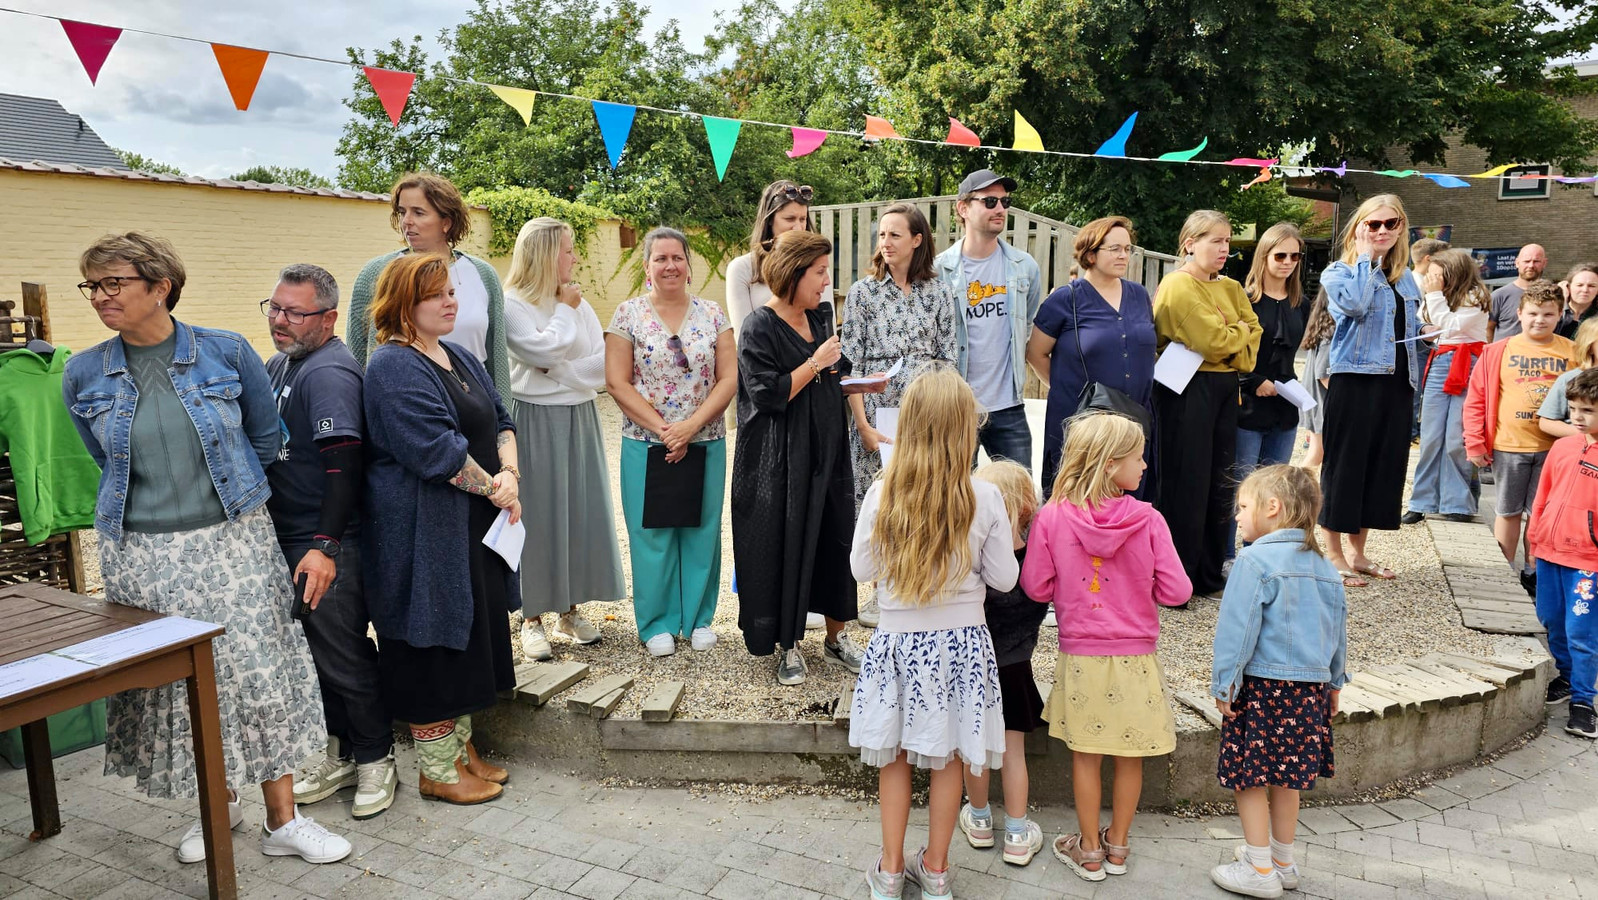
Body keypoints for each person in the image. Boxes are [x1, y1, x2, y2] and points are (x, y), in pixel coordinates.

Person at [62, 232, 349, 864]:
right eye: (94, 286)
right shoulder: (82, 371)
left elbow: (266, 435)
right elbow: (103, 460)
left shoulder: (225, 352)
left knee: (256, 673)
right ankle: (216, 810)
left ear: (160, 286)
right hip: (139, 555)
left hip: (233, 542)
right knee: (176, 685)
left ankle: (283, 819)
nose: (100, 297)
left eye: (114, 283)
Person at [851, 368, 1016, 900]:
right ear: (967, 429)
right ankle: (938, 869)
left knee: (895, 756)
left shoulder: (884, 493)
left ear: (911, 425)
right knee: (947, 758)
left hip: (899, 643)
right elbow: (1005, 579)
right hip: (962, 645)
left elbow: (860, 569)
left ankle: (892, 869)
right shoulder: (984, 498)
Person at [363, 252, 522, 805]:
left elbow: (501, 416)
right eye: (437, 295)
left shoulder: (454, 354)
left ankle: (461, 752)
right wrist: (496, 489)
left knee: (467, 637)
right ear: (404, 305)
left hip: (468, 524)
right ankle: (437, 769)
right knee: (429, 643)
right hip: (422, 534)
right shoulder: (393, 365)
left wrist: (511, 475)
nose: (451, 302)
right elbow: (435, 451)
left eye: (451, 291)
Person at [1022, 411, 1188, 882]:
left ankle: (1088, 849)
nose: (1145, 465)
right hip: (1136, 658)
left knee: (1087, 756)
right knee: (1129, 755)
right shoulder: (1149, 519)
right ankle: (1118, 847)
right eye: (1137, 457)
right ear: (1110, 463)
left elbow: (1035, 587)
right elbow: (1177, 592)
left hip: (1082, 658)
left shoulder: (1052, 517)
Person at [261, 264, 396, 822]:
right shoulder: (282, 364)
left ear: (330, 318)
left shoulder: (331, 374)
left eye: (296, 312)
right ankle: (340, 750)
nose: (280, 321)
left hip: (324, 543)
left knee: (342, 653)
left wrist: (325, 547)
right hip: (289, 537)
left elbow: (343, 465)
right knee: (314, 656)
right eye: (274, 308)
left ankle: (376, 757)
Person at [734, 231, 880, 685]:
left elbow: (838, 373)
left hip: (828, 452)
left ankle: (837, 639)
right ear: (794, 273)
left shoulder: (820, 317)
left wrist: (861, 385)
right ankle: (788, 645)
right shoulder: (759, 325)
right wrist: (815, 363)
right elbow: (766, 395)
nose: (825, 281)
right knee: (785, 543)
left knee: (836, 540)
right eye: (819, 272)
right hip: (780, 460)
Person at [1209, 465, 1347, 899]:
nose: (1237, 515)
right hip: (1309, 691)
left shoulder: (1254, 561)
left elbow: (1237, 631)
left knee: (1249, 779)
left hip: (1263, 690)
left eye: (1243, 506)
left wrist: (1225, 684)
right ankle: (1283, 861)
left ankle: (1258, 867)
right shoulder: (1326, 568)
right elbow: (1337, 632)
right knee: (1287, 779)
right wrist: (1335, 685)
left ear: (1274, 508)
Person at [605, 227, 736, 657]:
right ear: (646, 267)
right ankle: (656, 622)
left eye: (677, 257)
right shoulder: (627, 316)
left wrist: (690, 428)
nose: (670, 265)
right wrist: (666, 430)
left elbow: (728, 379)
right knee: (651, 533)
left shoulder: (714, 314)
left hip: (705, 439)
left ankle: (698, 618)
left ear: (688, 264)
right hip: (646, 442)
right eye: (660, 258)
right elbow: (617, 383)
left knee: (701, 529)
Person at [501, 218, 626, 660]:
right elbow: (540, 350)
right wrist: (562, 318)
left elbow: (601, 363)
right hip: (533, 418)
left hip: (580, 416)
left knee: (577, 511)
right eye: (568, 251)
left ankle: (569, 611)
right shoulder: (513, 303)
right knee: (535, 516)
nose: (575, 259)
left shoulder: (577, 300)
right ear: (546, 254)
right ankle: (531, 617)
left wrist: (561, 372)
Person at [842, 203, 959, 629]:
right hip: (876, 411)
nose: (885, 243)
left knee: (925, 492)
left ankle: (922, 579)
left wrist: (942, 413)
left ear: (917, 240)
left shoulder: (940, 293)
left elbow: (948, 359)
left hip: (926, 412)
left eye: (895, 235)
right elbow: (849, 364)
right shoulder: (863, 292)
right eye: (881, 235)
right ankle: (880, 590)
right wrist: (862, 425)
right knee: (879, 497)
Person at [1152, 209, 1262, 601]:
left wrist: (1230, 339)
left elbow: (1253, 342)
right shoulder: (1177, 286)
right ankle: (1177, 577)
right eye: (1215, 240)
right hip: (1187, 388)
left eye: (1228, 240)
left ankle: (1210, 574)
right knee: (1187, 482)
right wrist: (1237, 335)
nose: (1224, 248)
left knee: (1220, 481)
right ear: (1190, 243)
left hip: (1224, 389)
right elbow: (1215, 342)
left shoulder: (1231, 288)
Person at [1317, 194, 1421, 583]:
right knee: (1344, 466)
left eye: (1390, 224)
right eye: (1372, 224)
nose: (1381, 231)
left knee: (1381, 468)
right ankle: (1333, 553)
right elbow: (1356, 306)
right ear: (1359, 227)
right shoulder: (1339, 272)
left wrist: (1425, 333)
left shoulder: (1406, 277)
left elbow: (1404, 332)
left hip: (1397, 383)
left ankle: (1359, 553)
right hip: (1355, 381)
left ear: (1401, 227)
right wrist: (1365, 257)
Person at [1026, 215, 1156, 498]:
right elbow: (1036, 353)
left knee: (1129, 504)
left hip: (1134, 424)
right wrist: (1071, 390)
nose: (1124, 255)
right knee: (1080, 504)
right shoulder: (1065, 300)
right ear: (1090, 254)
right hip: (1084, 428)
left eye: (1127, 249)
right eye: (1115, 249)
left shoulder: (1139, 295)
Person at [346, 171, 510, 395]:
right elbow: (357, 355)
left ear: (446, 222)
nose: (407, 221)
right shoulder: (378, 272)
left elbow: (497, 357)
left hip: (475, 405)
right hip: (403, 403)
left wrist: (506, 422)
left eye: (419, 212)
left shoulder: (483, 275)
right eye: (402, 212)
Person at [1464, 281, 1579, 596]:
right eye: (1532, 313)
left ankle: (1534, 570)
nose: (1539, 320)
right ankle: (1504, 567)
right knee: (1507, 510)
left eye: (1547, 314)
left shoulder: (1572, 353)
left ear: (1560, 316)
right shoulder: (1499, 350)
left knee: (1541, 512)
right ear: (1519, 313)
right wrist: (1474, 442)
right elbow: (1476, 399)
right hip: (1509, 445)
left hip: (1554, 449)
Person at [957, 461, 1046, 867]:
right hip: (1016, 667)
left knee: (975, 750)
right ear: (1029, 504)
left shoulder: (972, 557)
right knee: (1013, 753)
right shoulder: (1036, 562)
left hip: (976, 665)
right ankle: (1016, 833)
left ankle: (978, 821)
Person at [935, 169, 1043, 469]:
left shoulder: (1025, 268)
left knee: (1018, 504)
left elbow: (1027, 324)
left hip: (1008, 407)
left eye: (1004, 202)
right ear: (963, 208)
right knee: (953, 504)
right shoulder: (939, 271)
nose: (1000, 209)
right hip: (957, 408)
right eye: (990, 201)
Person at [1228, 223, 1308, 559]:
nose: (1288, 262)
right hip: (1247, 404)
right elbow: (1229, 351)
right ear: (1264, 255)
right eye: (1280, 255)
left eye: (1295, 256)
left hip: (1285, 405)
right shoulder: (1243, 299)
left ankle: (1262, 555)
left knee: (1275, 488)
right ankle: (1228, 556)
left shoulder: (1300, 302)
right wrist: (1253, 380)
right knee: (1241, 485)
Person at [1527, 367, 1598, 739]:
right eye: (1573, 409)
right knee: (1550, 617)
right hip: (1550, 553)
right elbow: (1543, 495)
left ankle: (1585, 701)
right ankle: (1567, 677)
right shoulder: (1563, 446)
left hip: (1587, 563)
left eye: (1588, 410)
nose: (1578, 417)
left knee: (1582, 630)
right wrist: (1534, 536)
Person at [1401, 249, 1492, 525]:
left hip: (1469, 363)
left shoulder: (1475, 297)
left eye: (1436, 274)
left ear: (1452, 273)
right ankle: (1422, 500)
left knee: (1456, 436)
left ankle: (1457, 502)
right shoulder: (1436, 295)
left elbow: (1450, 327)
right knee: (1430, 435)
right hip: (1442, 360)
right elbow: (1427, 325)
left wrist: (1434, 295)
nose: (1431, 279)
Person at [725, 180, 814, 336]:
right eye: (789, 219)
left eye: (802, 219)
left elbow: (828, 337)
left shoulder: (817, 267)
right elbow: (744, 340)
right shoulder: (742, 268)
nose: (798, 228)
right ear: (770, 219)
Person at [1538, 318, 1598, 439]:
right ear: (1589, 346)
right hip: (1582, 449)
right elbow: (1546, 422)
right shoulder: (1570, 379)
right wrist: (1586, 434)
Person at [1298, 290, 1334, 470]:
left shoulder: (1323, 323)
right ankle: (1295, 491)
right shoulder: (1331, 328)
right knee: (1316, 454)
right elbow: (1323, 374)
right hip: (1320, 401)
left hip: (1314, 400)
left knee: (1317, 452)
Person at [1489, 244, 1549, 340]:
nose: (1531, 265)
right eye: (1527, 261)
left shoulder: (1551, 295)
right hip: (1506, 353)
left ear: (1544, 263)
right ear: (1517, 263)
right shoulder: (1499, 296)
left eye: (1536, 261)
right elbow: (1488, 329)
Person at [1557, 263, 1598, 339]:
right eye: (1579, 285)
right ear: (1568, 287)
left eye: (1592, 286)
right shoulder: (1554, 311)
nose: (1585, 290)